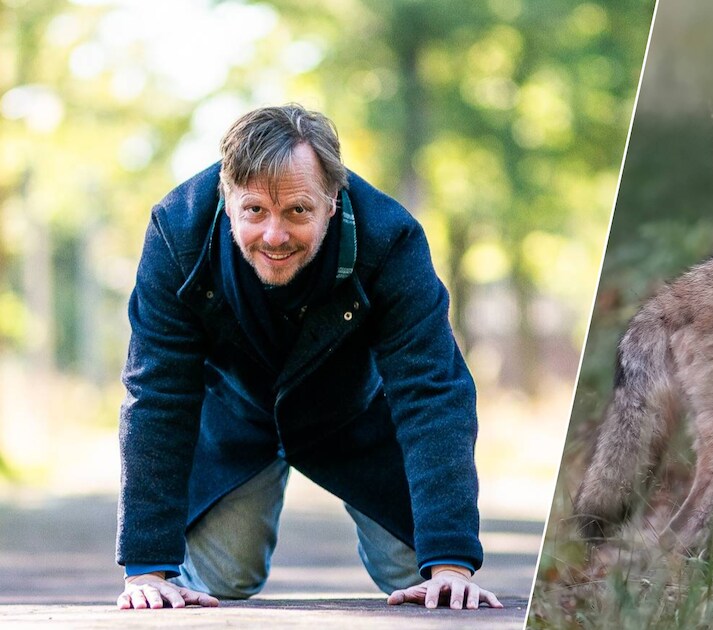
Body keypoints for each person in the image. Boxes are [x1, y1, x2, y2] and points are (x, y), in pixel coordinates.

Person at [115, 104, 502, 610]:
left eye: (297, 210)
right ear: (226, 198)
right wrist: (147, 566)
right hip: (235, 415)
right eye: (255, 210)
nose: (275, 236)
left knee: (424, 580)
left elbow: (431, 391)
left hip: (353, 417)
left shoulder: (392, 240)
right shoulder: (176, 233)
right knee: (220, 579)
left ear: (333, 200)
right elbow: (158, 394)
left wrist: (451, 559)